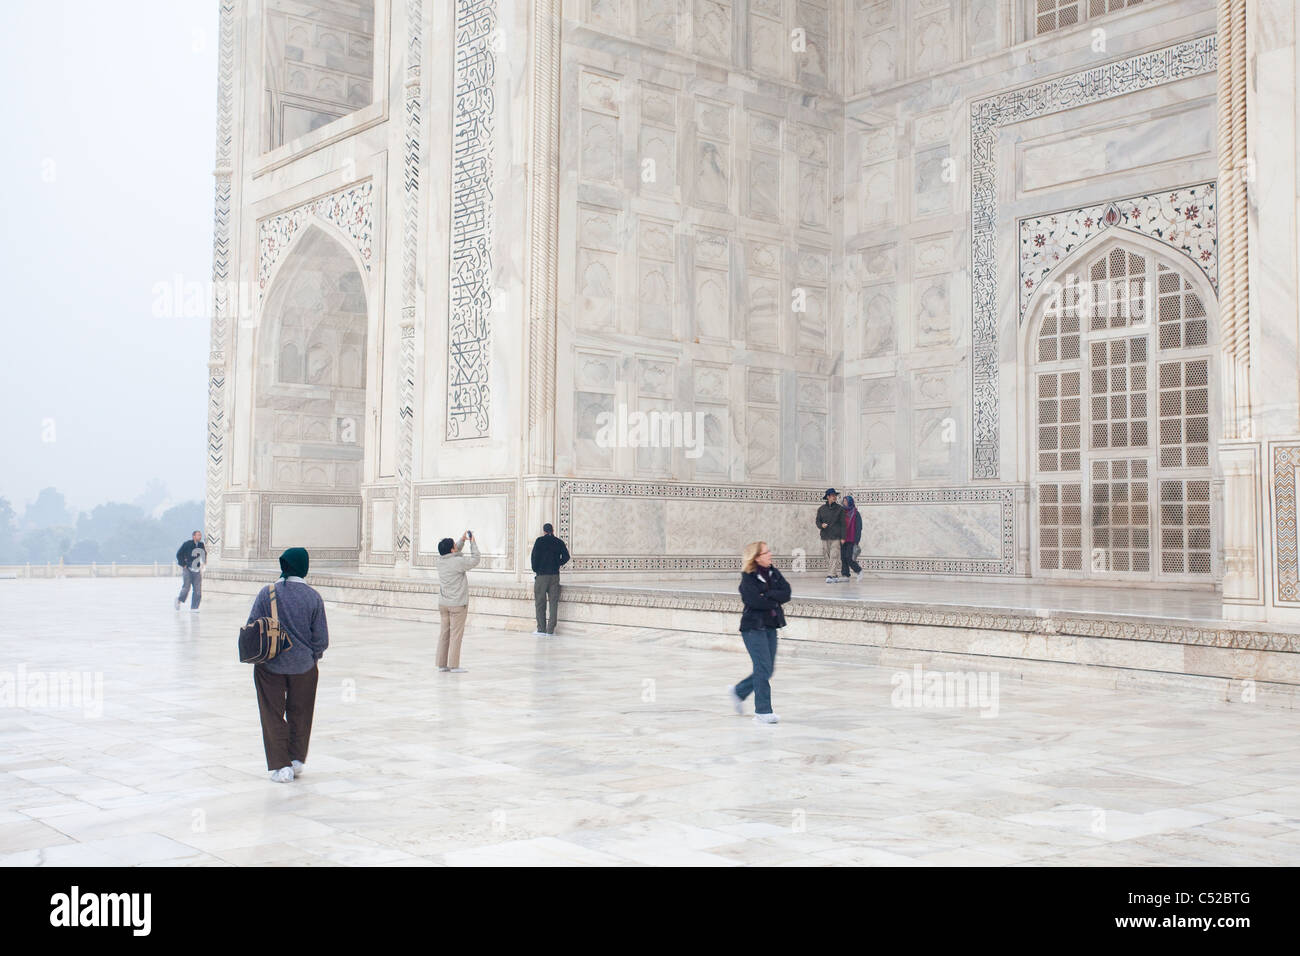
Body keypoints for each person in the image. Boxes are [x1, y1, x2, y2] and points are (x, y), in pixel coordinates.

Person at [246, 547, 328, 783]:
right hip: (304, 667)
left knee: (272, 714)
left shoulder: (267, 593)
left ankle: (280, 766)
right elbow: (321, 638)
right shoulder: (313, 596)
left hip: (270, 665)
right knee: (300, 713)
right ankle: (297, 760)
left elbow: (252, 626)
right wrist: (312, 656)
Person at [728, 541, 791, 725]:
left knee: (768, 668)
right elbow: (754, 601)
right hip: (753, 628)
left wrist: (768, 595)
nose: (770, 554)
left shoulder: (773, 573)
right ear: (757, 557)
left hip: (770, 625)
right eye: (766, 552)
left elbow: (786, 593)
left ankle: (739, 691)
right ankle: (763, 712)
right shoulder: (748, 577)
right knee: (763, 667)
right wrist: (773, 598)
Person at [436, 530, 480, 672]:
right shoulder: (458, 562)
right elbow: (475, 559)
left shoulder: (440, 561)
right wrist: (472, 543)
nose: (457, 546)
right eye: (455, 545)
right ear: (451, 549)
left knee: (444, 634)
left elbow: (452, 553)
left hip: (443, 604)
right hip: (457, 605)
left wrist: (461, 541)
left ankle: (441, 664)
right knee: (455, 635)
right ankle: (454, 665)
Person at [530, 522, 570, 636]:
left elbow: (534, 557)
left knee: (540, 603)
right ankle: (551, 630)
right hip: (554, 576)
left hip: (542, 576)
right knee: (553, 603)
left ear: (544, 531)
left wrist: (536, 569)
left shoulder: (539, 541)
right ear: (553, 530)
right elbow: (566, 557)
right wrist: (558, 563)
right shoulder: (558, 542)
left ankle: (541, 629)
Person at [815, 488, 846, 583]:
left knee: (834, 555)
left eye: (835, 495)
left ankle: (830, 575)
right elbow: (817, 521)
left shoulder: (840, 509)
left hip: (836, 536)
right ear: (828, 497)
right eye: (832, 495)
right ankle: (835, 575)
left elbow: (843, 524)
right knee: (827, 556)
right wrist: (821, 525)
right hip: (825, 536)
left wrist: (843, 537)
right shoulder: (821, 509)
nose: (834, 497)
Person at [174, 530, 206, 611]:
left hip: (197, 570)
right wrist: (183, 564)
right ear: (194, 536)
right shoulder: (187, 544)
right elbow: (179, 554)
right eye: (198, 535)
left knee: (198, 590)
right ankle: (179, 600)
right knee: (186, 588)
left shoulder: (201, 545)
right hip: (187, 569)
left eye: (200, 535)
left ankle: (194, 607)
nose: (200, 536)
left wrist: (203, 563)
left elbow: (204, 554)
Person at [841, 494, 863, 581]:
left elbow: (859, 528)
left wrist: (857, 541)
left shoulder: (856, 514)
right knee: (843, 557)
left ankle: (859, 571)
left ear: (850, 502)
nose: (844, 502)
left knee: (849, 558)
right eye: (844, 501)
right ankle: (845, 575)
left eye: (846, 501)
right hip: (843, 539)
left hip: (851, 539)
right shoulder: (842, 512)